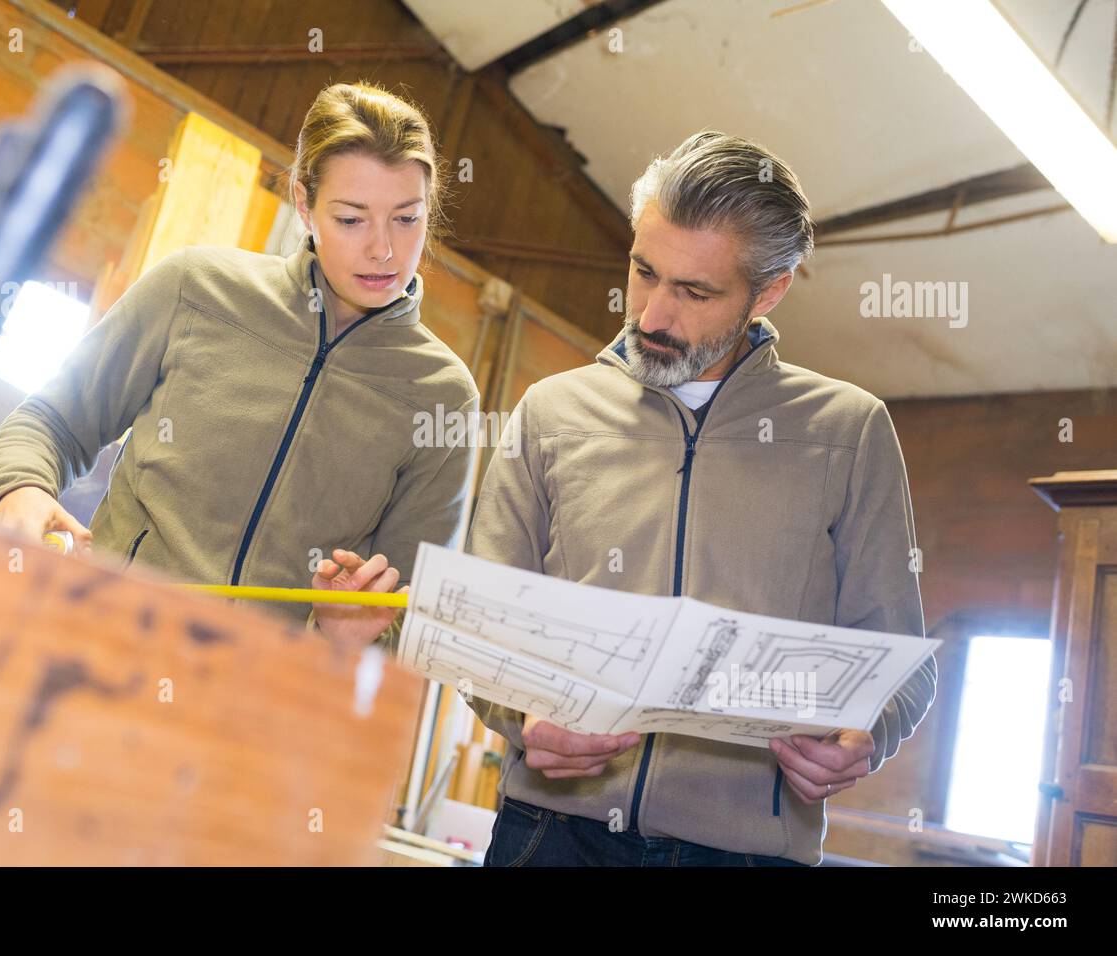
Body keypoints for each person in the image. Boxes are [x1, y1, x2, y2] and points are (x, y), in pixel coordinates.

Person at [337, 130, 937, 867]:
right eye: (644, 271)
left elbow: (903, 663)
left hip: (746, 853)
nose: (652, 314)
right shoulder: (550, 413)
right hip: (550, 836)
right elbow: (484, 633)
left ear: (769, 291)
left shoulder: (849, 432)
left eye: (694, 291)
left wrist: (866, 736)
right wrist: (524, 720)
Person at [0, 82, 478, 629]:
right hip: (97, 635)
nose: (384, 249)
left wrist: (349, 633)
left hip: (259, 696)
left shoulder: (442, 397)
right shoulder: (195, 288)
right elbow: (49, 423)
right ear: (304, 204)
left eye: (407, 218)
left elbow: (410, 614)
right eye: (352, 219)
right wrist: (20, 487)